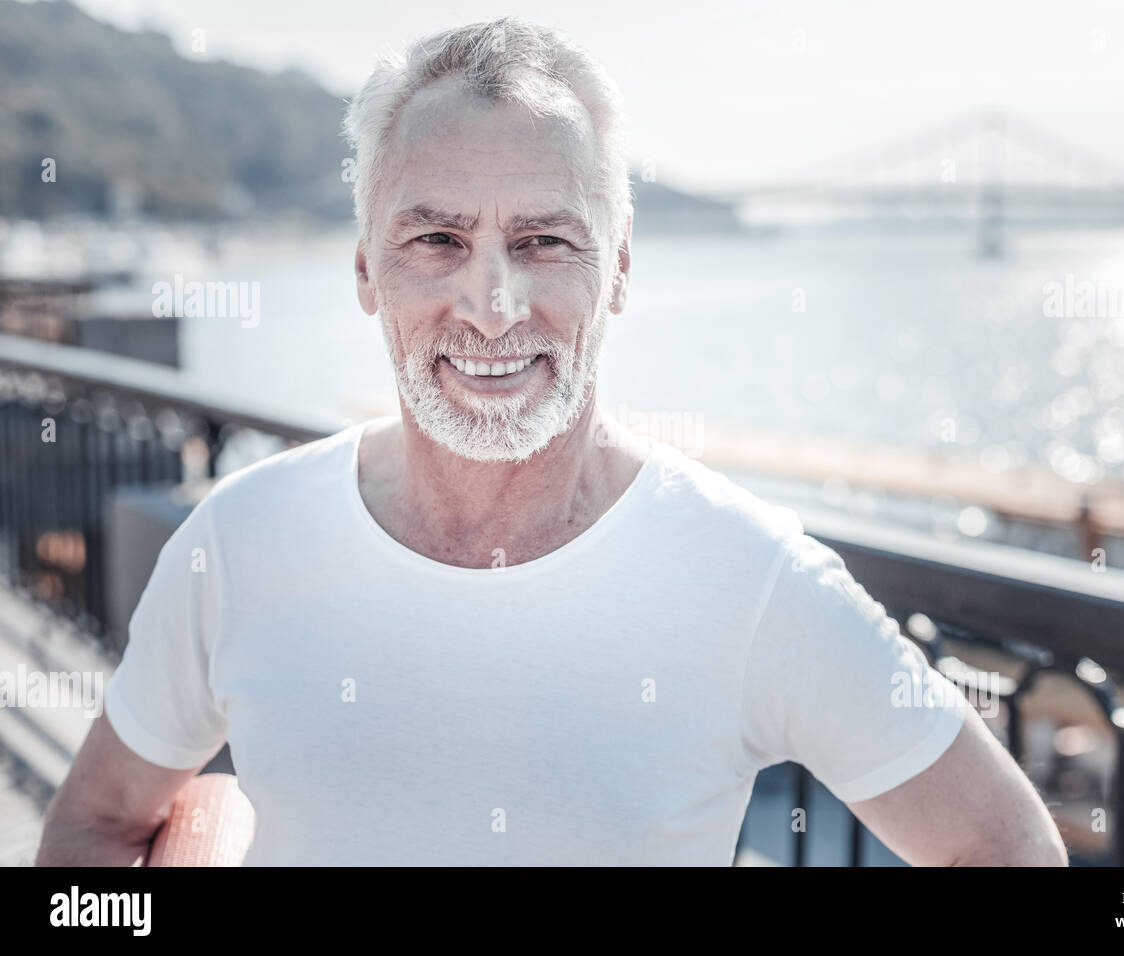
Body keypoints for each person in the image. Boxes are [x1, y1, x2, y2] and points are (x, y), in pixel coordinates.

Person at [37, 17, 1067, 866]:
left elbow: (1005, 846)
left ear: (616, 269)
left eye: (544, 240)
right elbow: (93, 829)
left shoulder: (752, 577)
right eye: (436, 240)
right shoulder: (240, 540)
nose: (492, 305)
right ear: (366, 270)